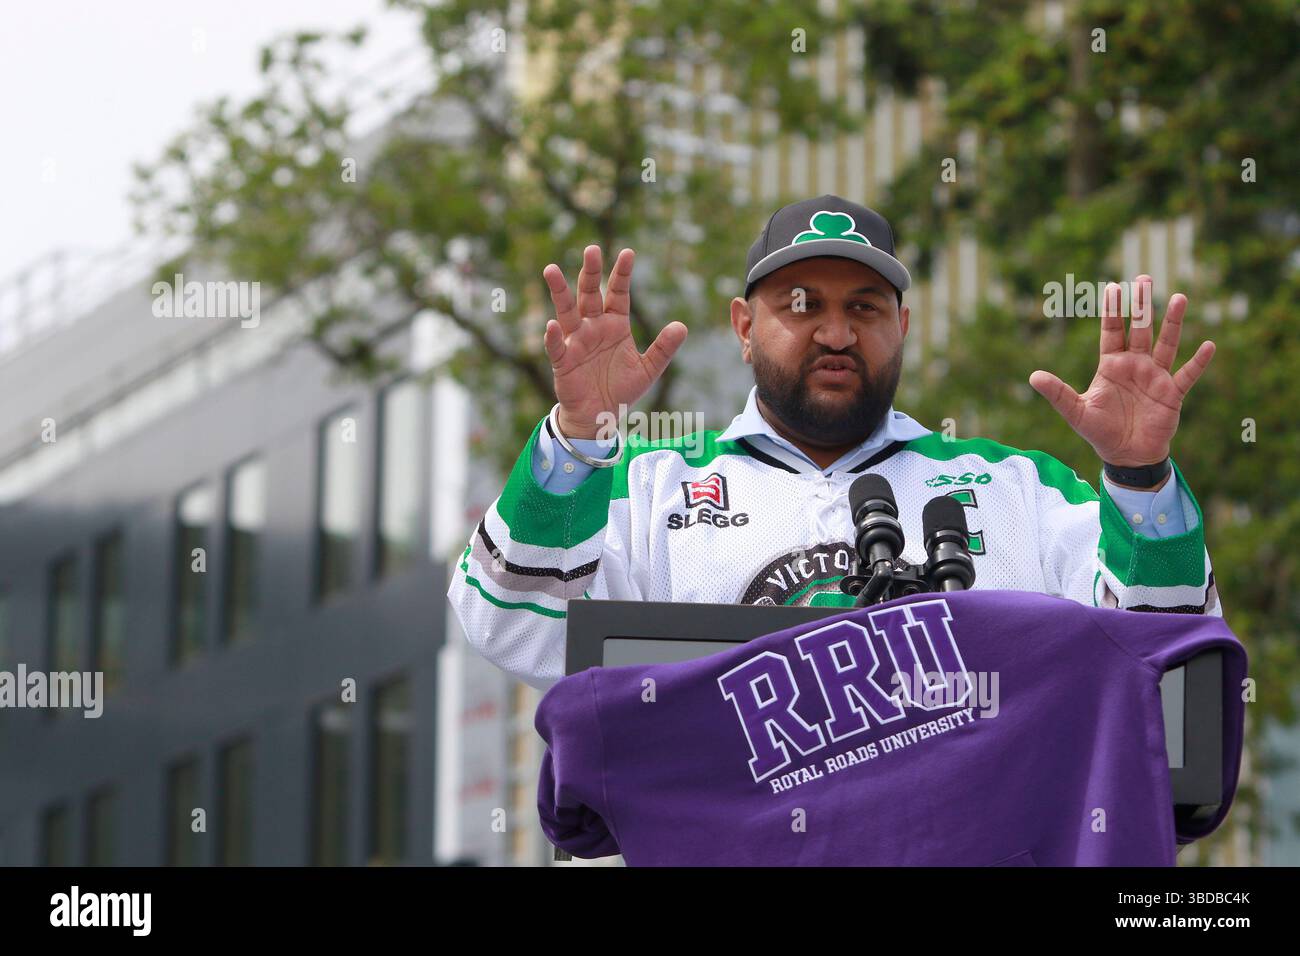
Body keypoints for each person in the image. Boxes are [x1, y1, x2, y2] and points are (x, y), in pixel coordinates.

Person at [447, 195, 1220, 690]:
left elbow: (1166, 656)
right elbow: (514, 626)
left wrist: (1139, 475)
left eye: (867, 307)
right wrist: (579, 438)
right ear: (745, 328)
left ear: (904, 327)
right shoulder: (651, 489)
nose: (838, 332)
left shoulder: (1020, 487)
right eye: (802, 303)